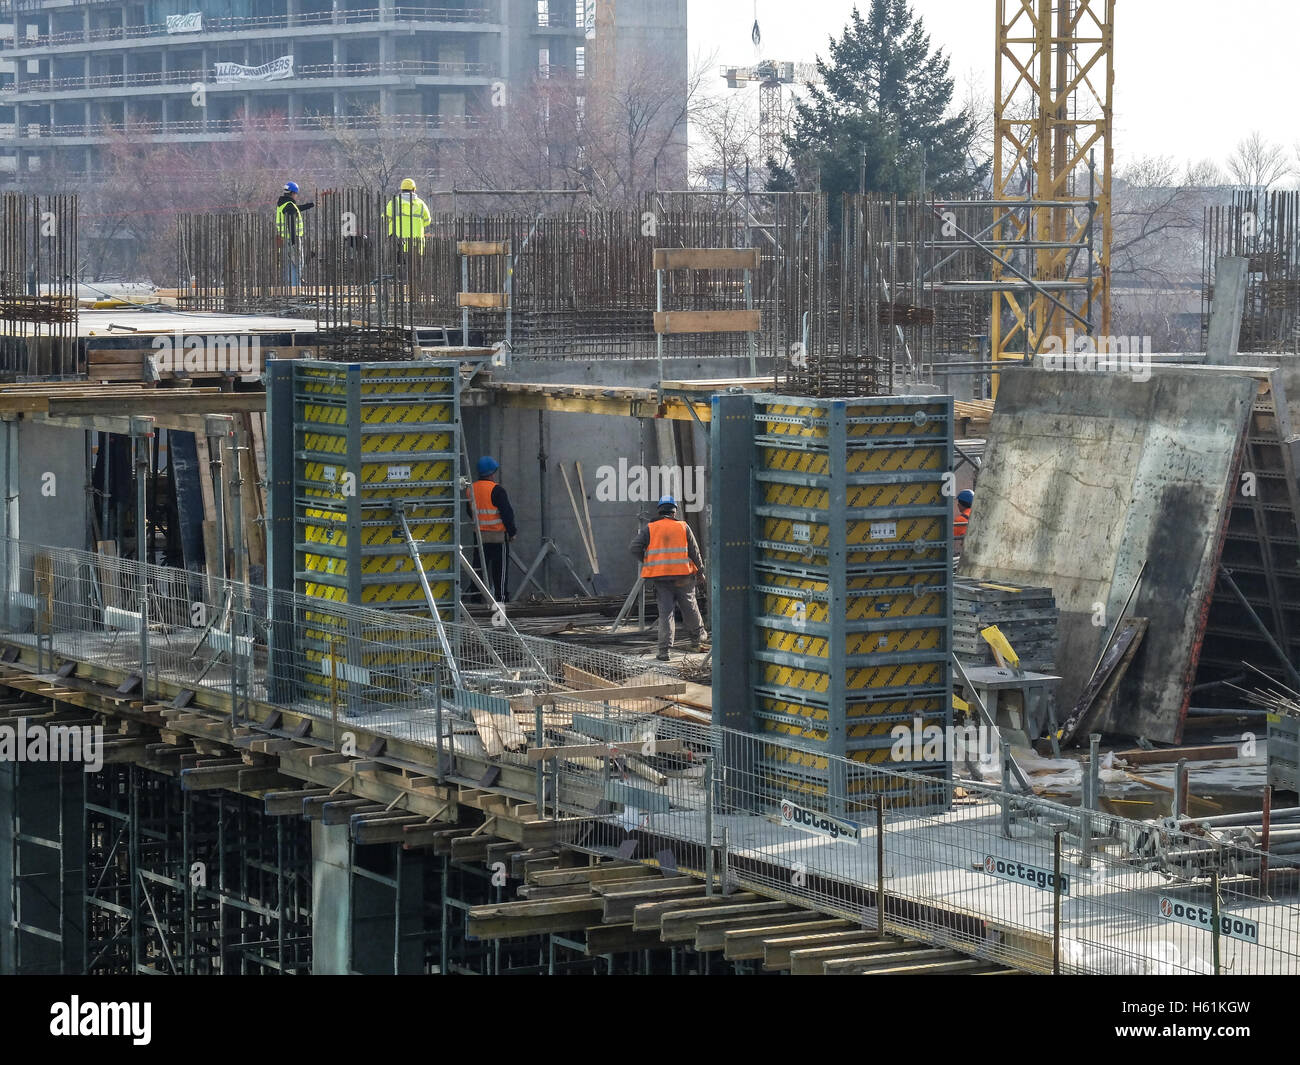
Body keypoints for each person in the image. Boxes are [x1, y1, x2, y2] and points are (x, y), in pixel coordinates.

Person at [630, 495, 708, 662]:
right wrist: (701, 571)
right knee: (690, 607)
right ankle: (698, 640)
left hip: (661, 578)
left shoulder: (650, 528)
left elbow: (634, 547)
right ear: (674, 512)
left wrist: (647, 562)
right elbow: (695, 551)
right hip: (683, 577)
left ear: (660, 511)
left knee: (666, 614)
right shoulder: (683, 526)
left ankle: (664, 651)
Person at [468, 455, 516, 602]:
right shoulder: (497, 490)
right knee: (499, 571)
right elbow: (507, 513)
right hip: (497, 536)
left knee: (479, 568)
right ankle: (501, 600)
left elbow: (469, 511)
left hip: (480, 536)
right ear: (491, 473)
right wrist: (512, 532)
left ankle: (475, 600)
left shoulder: (471, 489)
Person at [274, 181, 314, 287]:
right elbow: (291, 223)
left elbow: (296, 209)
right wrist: (293, 242)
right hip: (292, 239)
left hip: (284, 239)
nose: (296, 196)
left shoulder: (284, 204)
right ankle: (295, 289)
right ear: (293, 193)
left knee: (289, 265)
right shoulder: (289, 205)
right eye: (296, 194)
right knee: (296, 265)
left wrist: (310, 205)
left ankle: (290, 288)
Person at [384, 178, 432, 258]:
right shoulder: (421, 204)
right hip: (416, 246)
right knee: (415, 269)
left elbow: (384, 219)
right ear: (414, 190)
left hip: (397, 245)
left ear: (402, 189)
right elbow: (427, 221)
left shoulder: (394, 203)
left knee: (398, 269)